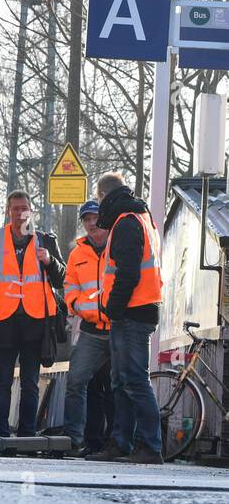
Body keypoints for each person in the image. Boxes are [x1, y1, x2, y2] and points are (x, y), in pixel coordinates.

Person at [0, 189, 66, 440]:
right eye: (15, 208)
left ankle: (27, 434)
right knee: (2, 381)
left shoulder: (45, 241)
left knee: (30, 383)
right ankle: (1, 433)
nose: (19, 213)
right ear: (8, 211)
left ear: (31, 212)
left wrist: (50, 261)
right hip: (3, 321)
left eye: (24, 208)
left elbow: (61, 278)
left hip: (35, 321)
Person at [87, 171, 164, 464]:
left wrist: (113, 308)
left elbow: (128, 273)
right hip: (138, 309)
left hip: (132, 312)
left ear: (104, 196)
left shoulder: (126, 223)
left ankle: (148, 445)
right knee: (121, 381)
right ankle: (122, 442)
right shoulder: (140, 218)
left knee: (133, 380)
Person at [62, 200, 114, 455]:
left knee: (117, 387)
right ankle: (75, 440)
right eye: (86, 220)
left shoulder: (118, 244)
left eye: (94, 218)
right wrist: (81, 307)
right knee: (77, 381)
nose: (91, 224)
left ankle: (116, 442)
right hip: (92, 329)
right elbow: (70, 287)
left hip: (118, 328)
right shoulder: (77, 254)